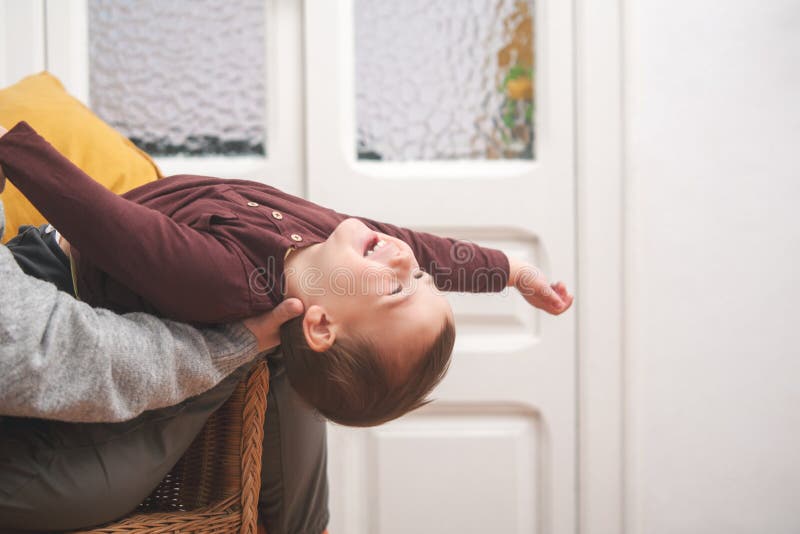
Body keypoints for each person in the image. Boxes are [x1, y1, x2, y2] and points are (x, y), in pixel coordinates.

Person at [0, 120, 573, 429]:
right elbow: (428, 249)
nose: (404, 257)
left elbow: (107, 225)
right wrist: (512, 272)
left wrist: (14, 149)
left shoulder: (227, 280)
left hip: (48, 269)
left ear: (321, 325)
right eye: (421, 275)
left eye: (398, 287)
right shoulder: (330, 243)